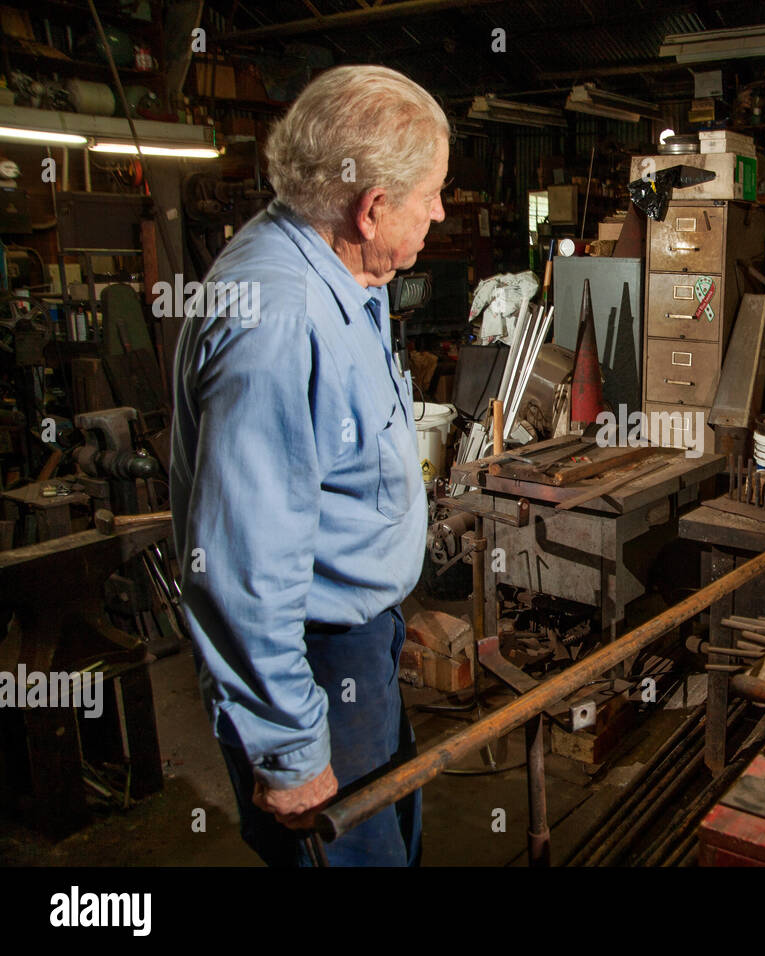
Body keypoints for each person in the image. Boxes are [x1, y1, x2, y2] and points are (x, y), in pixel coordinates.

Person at [170, 65, 448, 866]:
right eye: (432, 193)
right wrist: (290, 748)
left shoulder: (346, 269)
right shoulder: (279, 324)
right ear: (371, 207)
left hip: (356, 644)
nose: (438, 212)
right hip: (311, 659)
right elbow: (242, 569)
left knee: (390, 840)